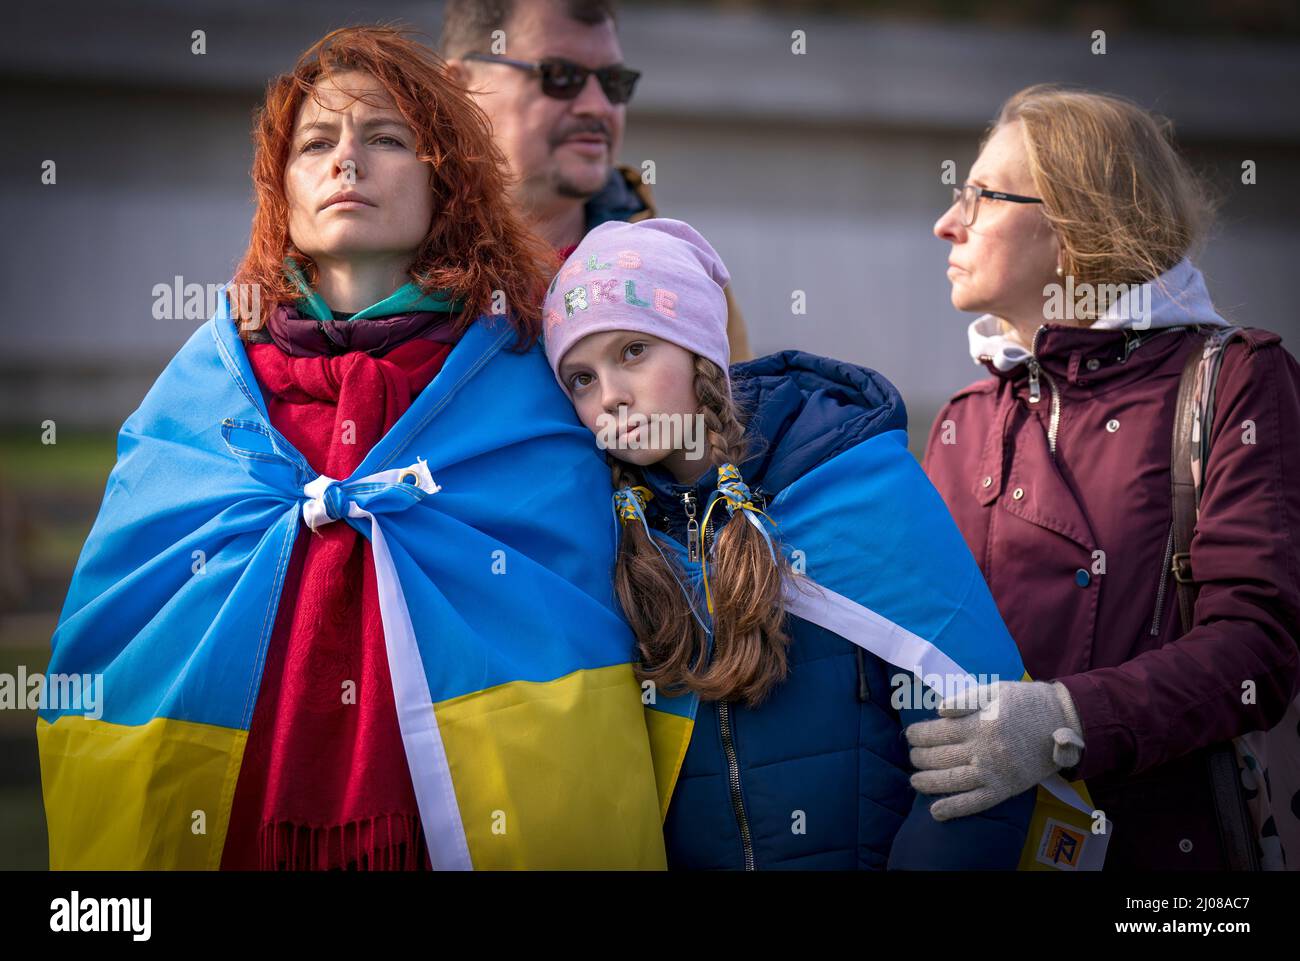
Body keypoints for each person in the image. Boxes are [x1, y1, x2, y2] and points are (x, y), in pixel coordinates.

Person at [36, 25, 672, 871]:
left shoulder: (530, 372)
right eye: (316, 143)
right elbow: (127, 608)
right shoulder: (208, 382)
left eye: (386, 138)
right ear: (282, 185)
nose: (347, 162)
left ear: (444, 172)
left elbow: (616, 586)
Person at [542, 217, 1034, 869]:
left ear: (698, 351)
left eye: (633, 351)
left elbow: (982, 760)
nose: (611, 397)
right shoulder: (604, 538)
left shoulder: (856, 484)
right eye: (581, 378)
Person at [918, 83, 1300, 870]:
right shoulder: (965, 414)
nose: (946, 223)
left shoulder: (1237, 378)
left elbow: (1259, 649)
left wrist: (1067, 718)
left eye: (978, 197)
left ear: (1070, 224)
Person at [440, 0, 753, 361]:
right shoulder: (388, 254)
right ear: (459, 91)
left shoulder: (683, 278)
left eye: (612, 82)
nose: (598, 105)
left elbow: (731, 416)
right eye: (559, 75)